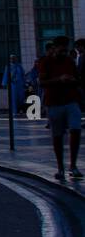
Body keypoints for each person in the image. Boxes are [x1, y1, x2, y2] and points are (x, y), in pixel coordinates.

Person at [37, 36, 82, 181]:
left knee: (75, 130)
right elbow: (42, 82)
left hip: (71, 100)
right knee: (58, 136)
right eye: (61, 48)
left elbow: (78, 79)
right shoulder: (45, 62)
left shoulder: (70, 61)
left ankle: (73, 166)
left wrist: (73, 80)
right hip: (54, 103)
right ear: (54, 48)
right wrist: (59, 79)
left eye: (66, 48)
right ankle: (60, 168)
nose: (64, 51)